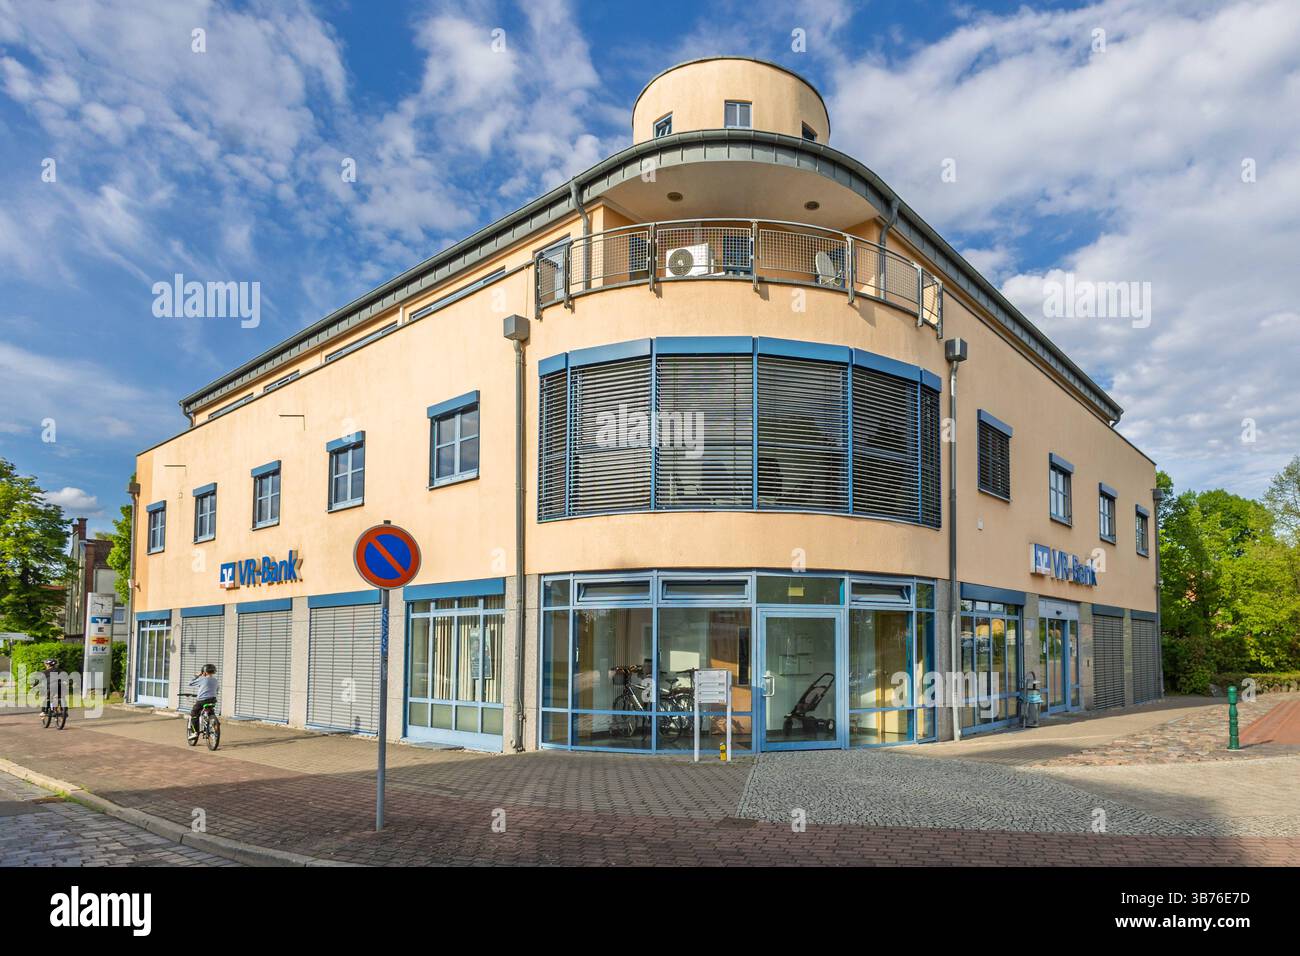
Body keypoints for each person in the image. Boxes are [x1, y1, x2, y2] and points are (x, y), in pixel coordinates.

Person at [187, 664, 219, 740]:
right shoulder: (215, 680)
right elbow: (217, 690)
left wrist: (197, 675)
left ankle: (195, 733)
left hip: (202, 700)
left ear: (204, 672)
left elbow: (190, 683)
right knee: (211, 712)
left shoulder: (202, 679)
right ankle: (214, 726)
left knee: (194, 714)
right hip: (213, 700)